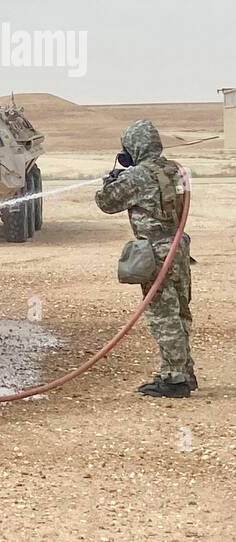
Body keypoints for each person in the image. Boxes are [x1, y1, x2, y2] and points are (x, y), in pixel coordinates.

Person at [95, 120, 195, 398]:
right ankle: (185, 371)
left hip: (155, 252)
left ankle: (173, 379)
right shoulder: (175, 169)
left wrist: (111, 181)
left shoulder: (137, 176)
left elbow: (106, 203)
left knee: (163, 315)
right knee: (180, 311)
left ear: (134, 146)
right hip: (178, 247)